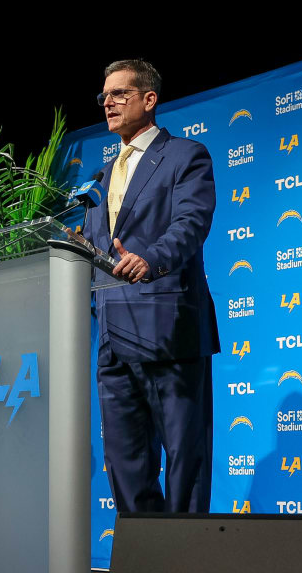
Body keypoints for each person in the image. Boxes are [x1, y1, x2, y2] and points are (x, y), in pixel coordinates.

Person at [84, 59, 219, 513]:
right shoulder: (101, 176)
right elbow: (98, 247)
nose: (108, 103)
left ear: (149, 99)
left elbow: (191, 223)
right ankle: (144, 546)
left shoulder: (185, 155)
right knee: (125, 462)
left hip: (167, 329)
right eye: (104, 96)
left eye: (119, 93)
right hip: (113, 336)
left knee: (185, 458)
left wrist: (151, 259)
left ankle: (188, 548)